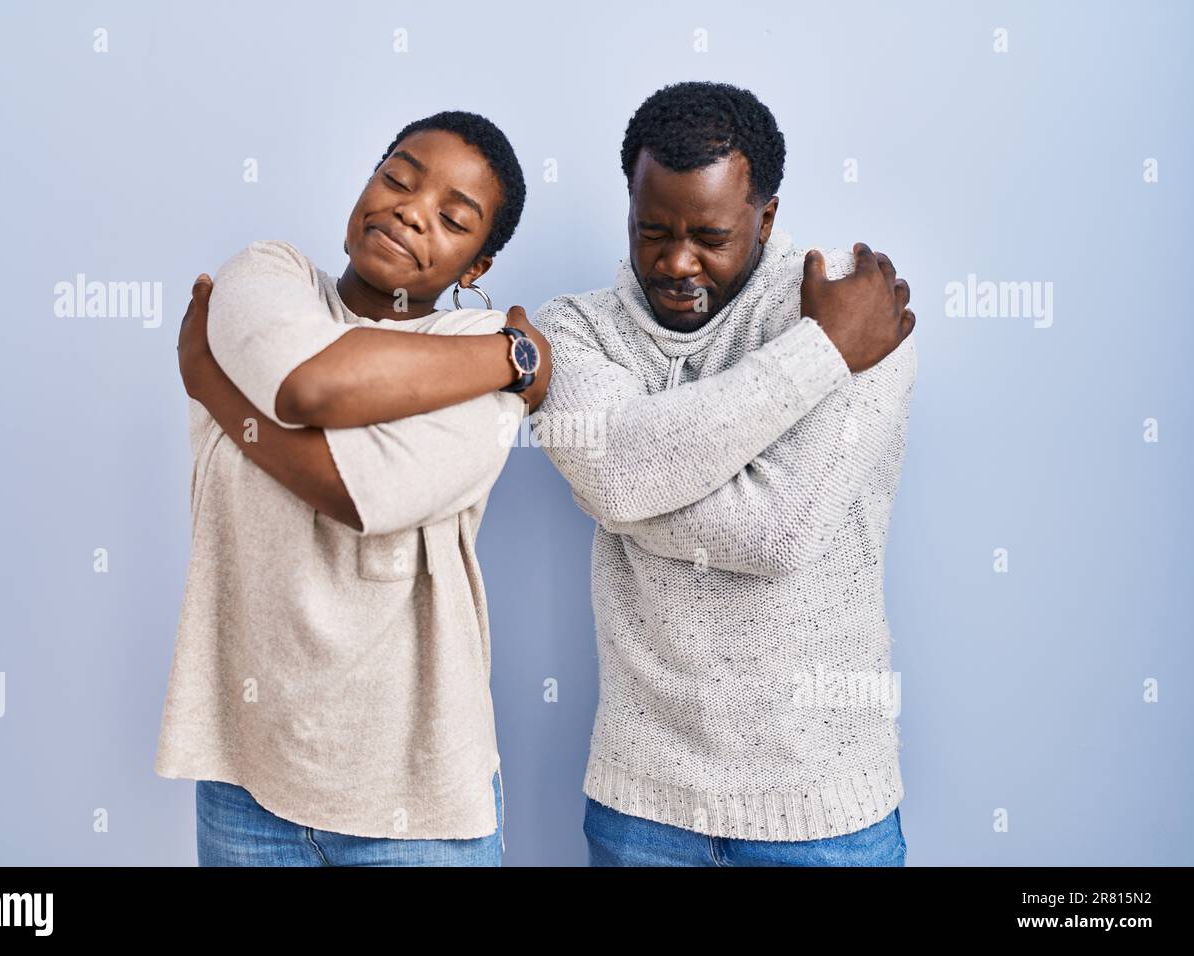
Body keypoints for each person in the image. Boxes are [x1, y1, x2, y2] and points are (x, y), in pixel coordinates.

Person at [532, 81, 917, 866]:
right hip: (642, 803)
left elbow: (778, 531)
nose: (677, 263)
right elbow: (614, 477)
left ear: (765, 217)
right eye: (652, 232)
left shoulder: (863, 305)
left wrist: (630, 480)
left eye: (709, 235)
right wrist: (823, 353)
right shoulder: (575, 329)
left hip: (824, 806)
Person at [155, 110, 551, 867]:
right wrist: (520, 356)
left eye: (452, 218)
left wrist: (216, 387)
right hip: (248, 783)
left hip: (419, 805)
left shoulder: (472, 352)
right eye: (397, 178)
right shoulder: (266, 275)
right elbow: (312, 387)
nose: (409, 209)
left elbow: (353, 488)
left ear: (476, 270)